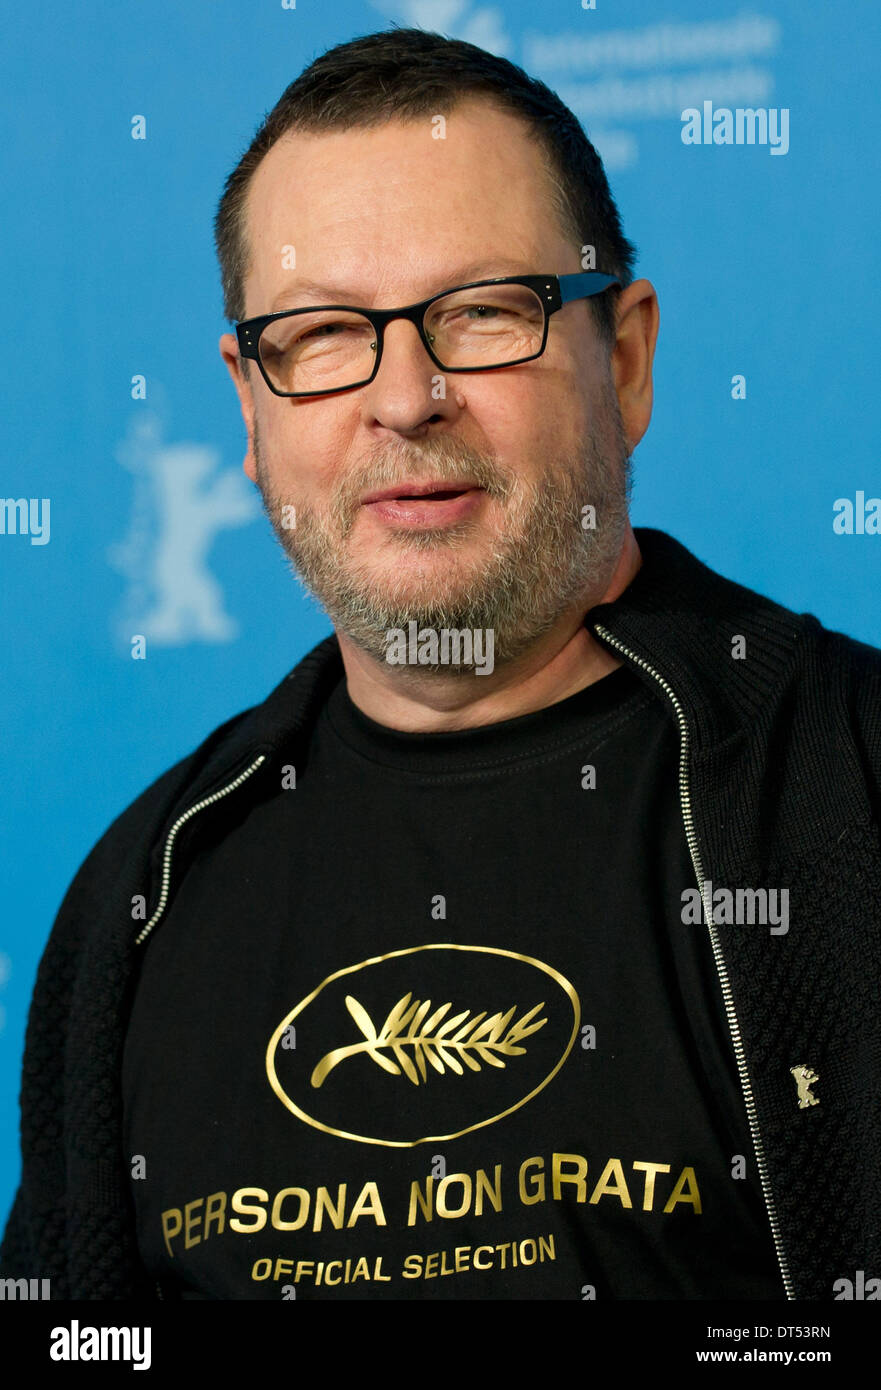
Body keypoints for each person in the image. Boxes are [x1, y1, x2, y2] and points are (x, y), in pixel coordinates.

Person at [2, 26, 879, 1303]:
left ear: (622, 360)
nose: (404, 398)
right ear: (250, 407)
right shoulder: (142, 896)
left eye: (479, 313)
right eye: (317, 333)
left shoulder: (853, 785)